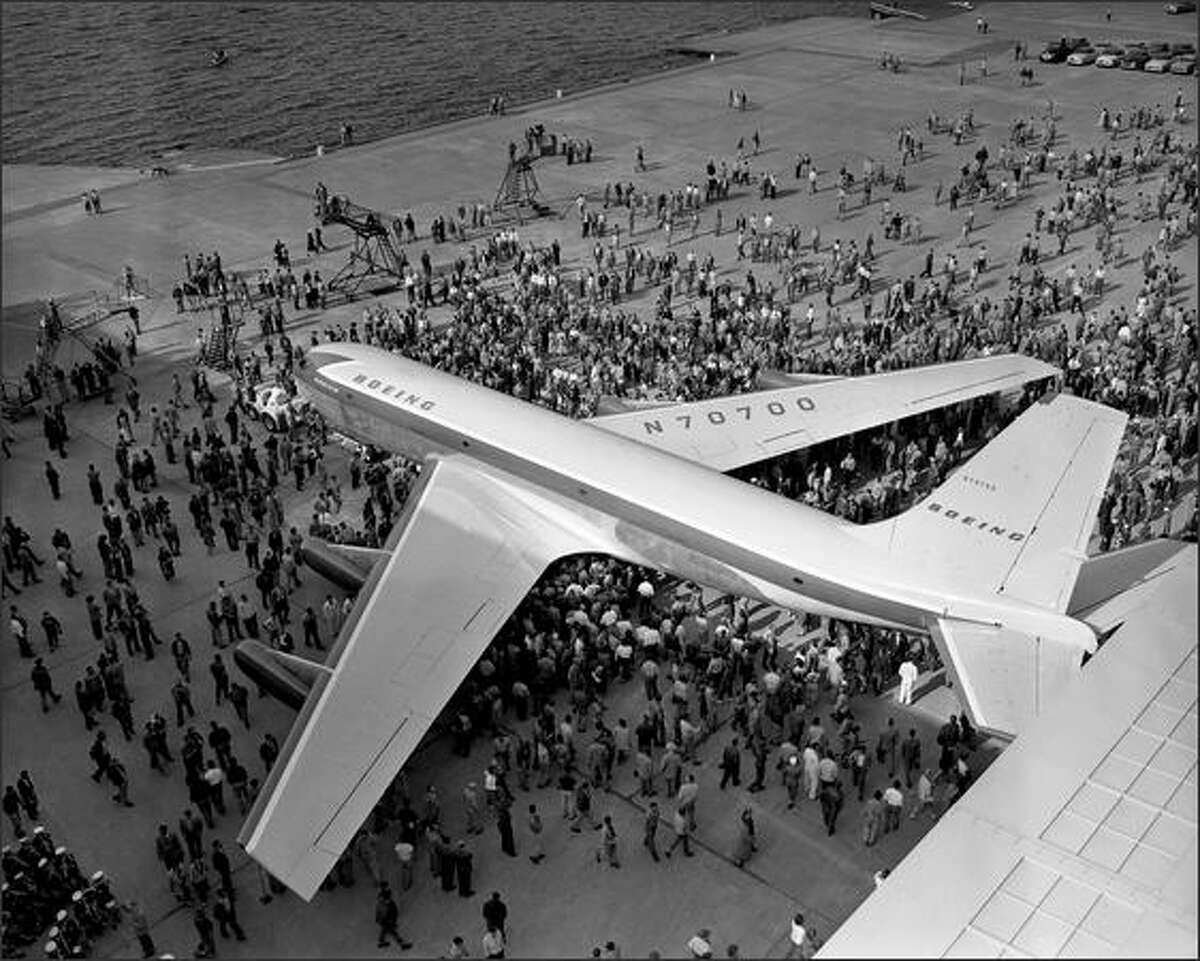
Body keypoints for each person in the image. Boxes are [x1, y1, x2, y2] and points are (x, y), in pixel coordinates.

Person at [375, 882, 413, 950]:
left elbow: (382, 909)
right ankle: (402, 944)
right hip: (386, 918)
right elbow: (383, 909)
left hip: (385, 918)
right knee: (392, 931)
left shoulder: (384, 895)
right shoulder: (383, 897)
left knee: (385, 929)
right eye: (386, 886)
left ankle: (381, 942)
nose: (388, 887)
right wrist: (389, 919)